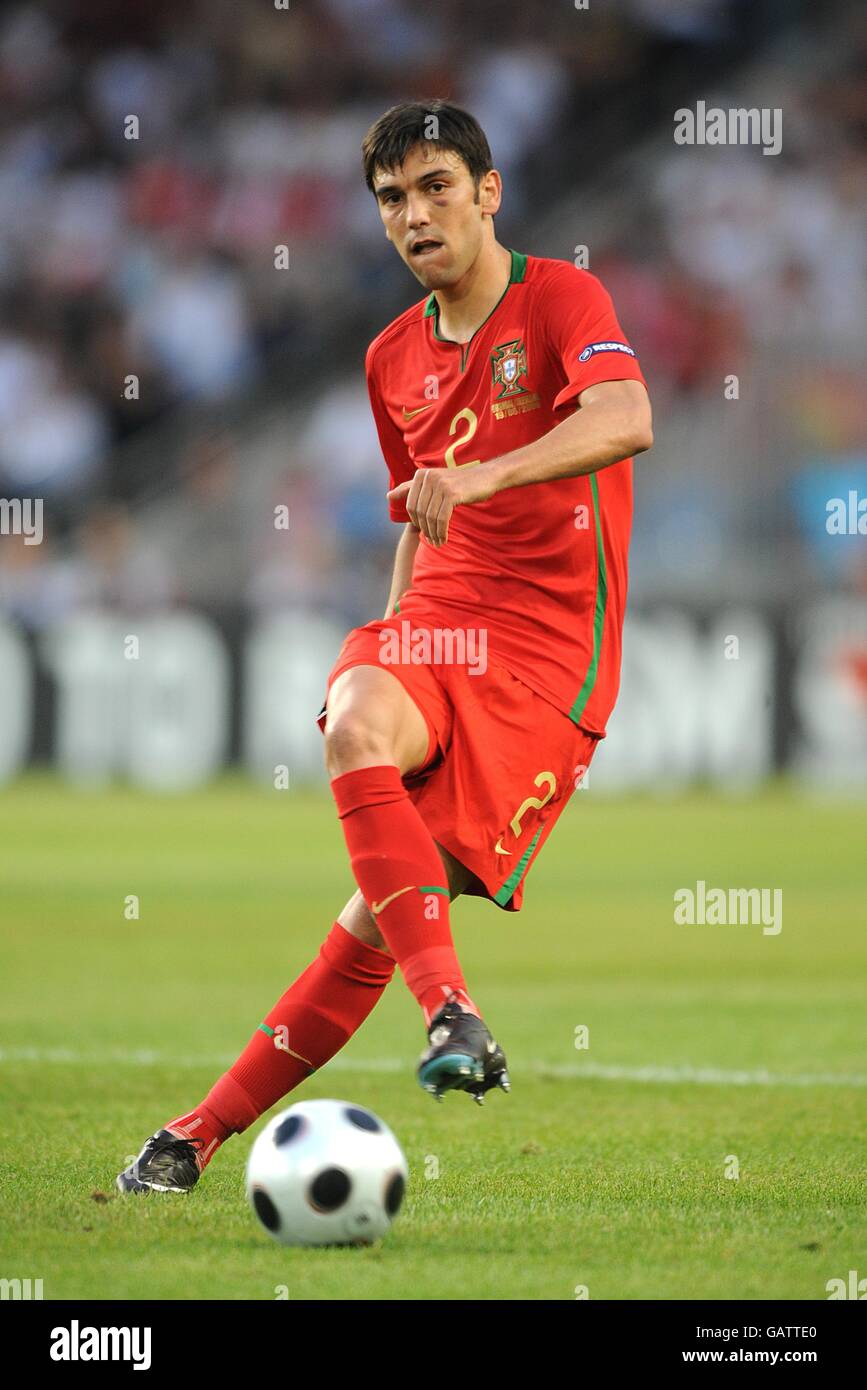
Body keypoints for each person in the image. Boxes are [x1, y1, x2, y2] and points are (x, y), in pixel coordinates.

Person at [118, 100, 652, 1194]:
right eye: (393, 199)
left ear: (488, 192)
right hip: (437, 619)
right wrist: (397, 622)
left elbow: (627, 415)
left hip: (552, 660)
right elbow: (421, 512)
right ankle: (452, 1012)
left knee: (377, 918)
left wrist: (485, 477)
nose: (416, 215)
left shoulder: (562, 297)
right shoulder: (386, 359)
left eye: (438, 187)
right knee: (356, 721)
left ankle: (198, 1133)